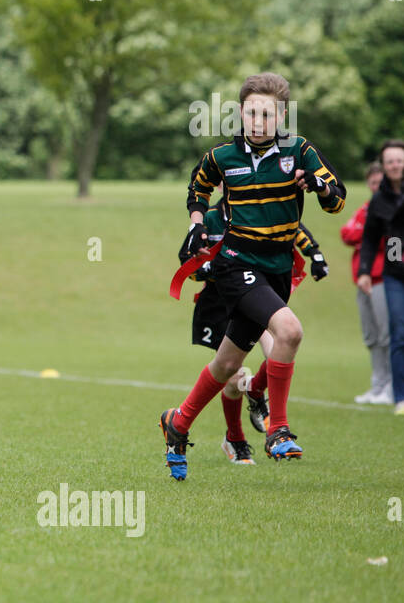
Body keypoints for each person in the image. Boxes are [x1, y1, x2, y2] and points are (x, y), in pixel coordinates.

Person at [161, 73, 345, 480]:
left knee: (227, 364)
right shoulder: (223, 156)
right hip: (235, 262)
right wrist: (196, 222)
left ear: (281, 115)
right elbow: (198, 187)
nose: (258, 121)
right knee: (290, 331)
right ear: (240, 113)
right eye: (251, 113)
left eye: (267, 113)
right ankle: (277, 430)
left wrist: (317, 185)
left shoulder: (300, 151)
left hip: (277, 268)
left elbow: (337, 201)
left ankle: (178, 422)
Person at [184, 188, 329, 465]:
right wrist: (200, 270)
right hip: (217, 304)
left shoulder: (261, 210)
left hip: (250, 294)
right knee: (233, 374)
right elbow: (187, 259)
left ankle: (257, 392)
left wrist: (315, 254)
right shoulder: (212, 218)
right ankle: (235, 437)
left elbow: (294, 227)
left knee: (279, 344)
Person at [357, 140, 404, 414]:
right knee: (398, 334)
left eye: (400, 161)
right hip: (396, 271)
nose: (395, 166)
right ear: (383, 167)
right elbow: (373, 238)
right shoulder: (380, 199)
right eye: (390, 162)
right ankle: (401, 393)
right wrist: (366, 270)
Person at [340, 162, 392, 405]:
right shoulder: (366, 209)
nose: (376, 186)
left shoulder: (392, 207)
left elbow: (390, 242)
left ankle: (392, 386)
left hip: (383, 278)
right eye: (372, 182)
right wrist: (367, 232)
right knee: (371, 336)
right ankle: (378, 385)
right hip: (362, 279)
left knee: (387, 335)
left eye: (380, 182)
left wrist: (367, 233)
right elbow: (347, 233)